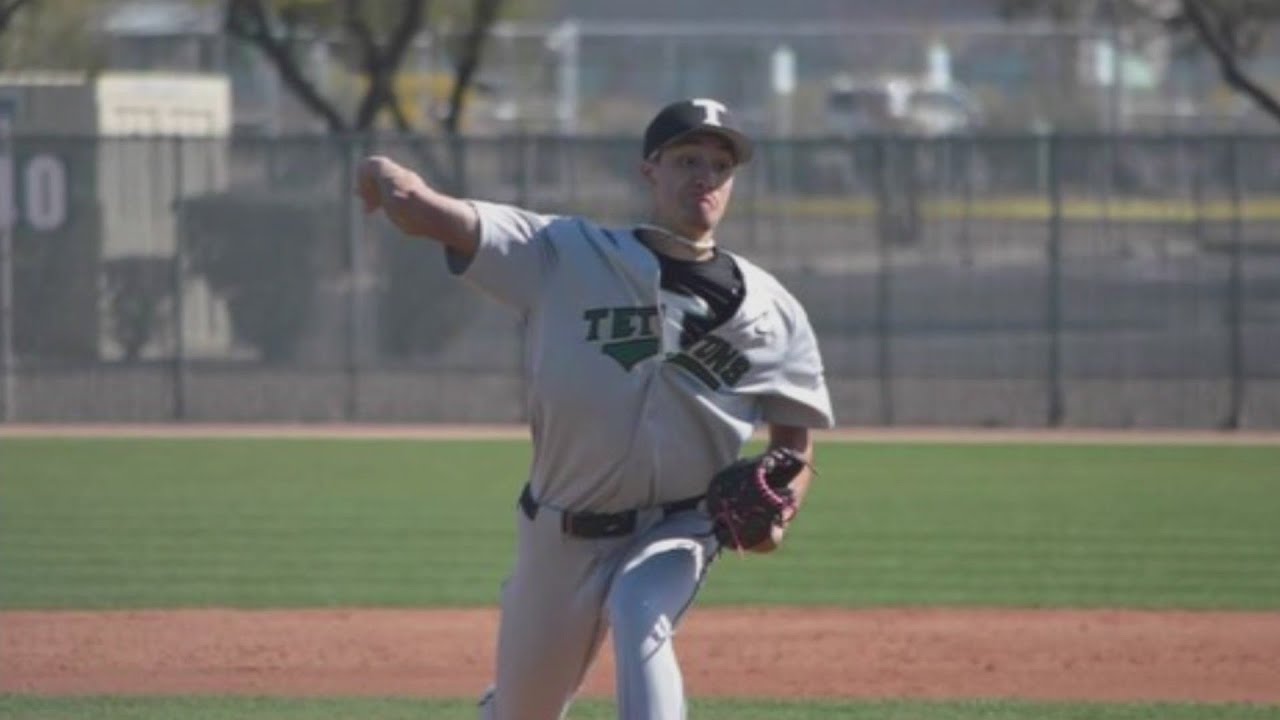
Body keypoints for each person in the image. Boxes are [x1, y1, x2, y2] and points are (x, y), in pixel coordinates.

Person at [355, 97, 834, 720]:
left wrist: (782, 509)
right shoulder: (564, 252)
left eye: (720, 165)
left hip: (680, 525)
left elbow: (793, 439)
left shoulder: (774, 310)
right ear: (649, 171)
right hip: (560, 529)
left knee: (641, 612)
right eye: (688, 159)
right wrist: (381, 175)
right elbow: (426, 214)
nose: (705, 177)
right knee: (525, 709)